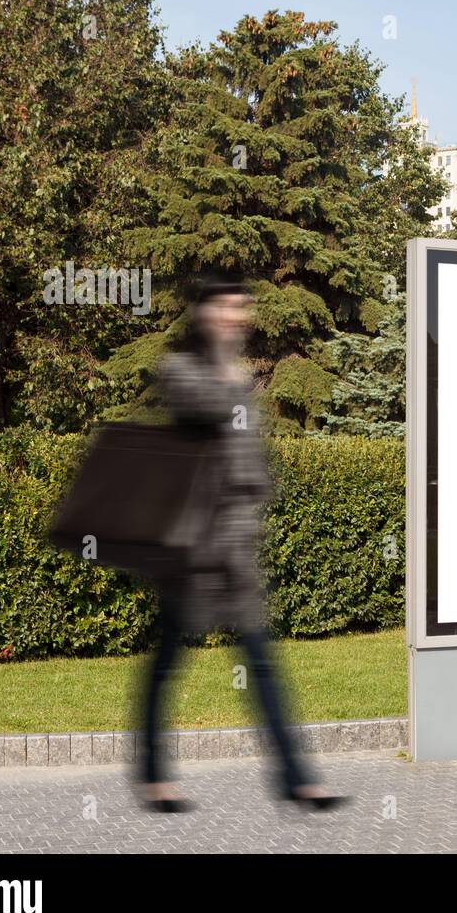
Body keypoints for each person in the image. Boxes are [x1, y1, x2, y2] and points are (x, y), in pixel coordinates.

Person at [138, 273, 347, 813]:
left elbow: (245, 458)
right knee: (167, 662)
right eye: (228, 309)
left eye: (242, 309)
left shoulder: (236, 374)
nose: (238, 319)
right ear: (205, 314)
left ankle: (296, 777)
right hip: (189, 548)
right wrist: (229, 372)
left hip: (233, 545)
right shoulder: (184, 369)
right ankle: (153, 773)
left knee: (261, 660)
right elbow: (202, 411)